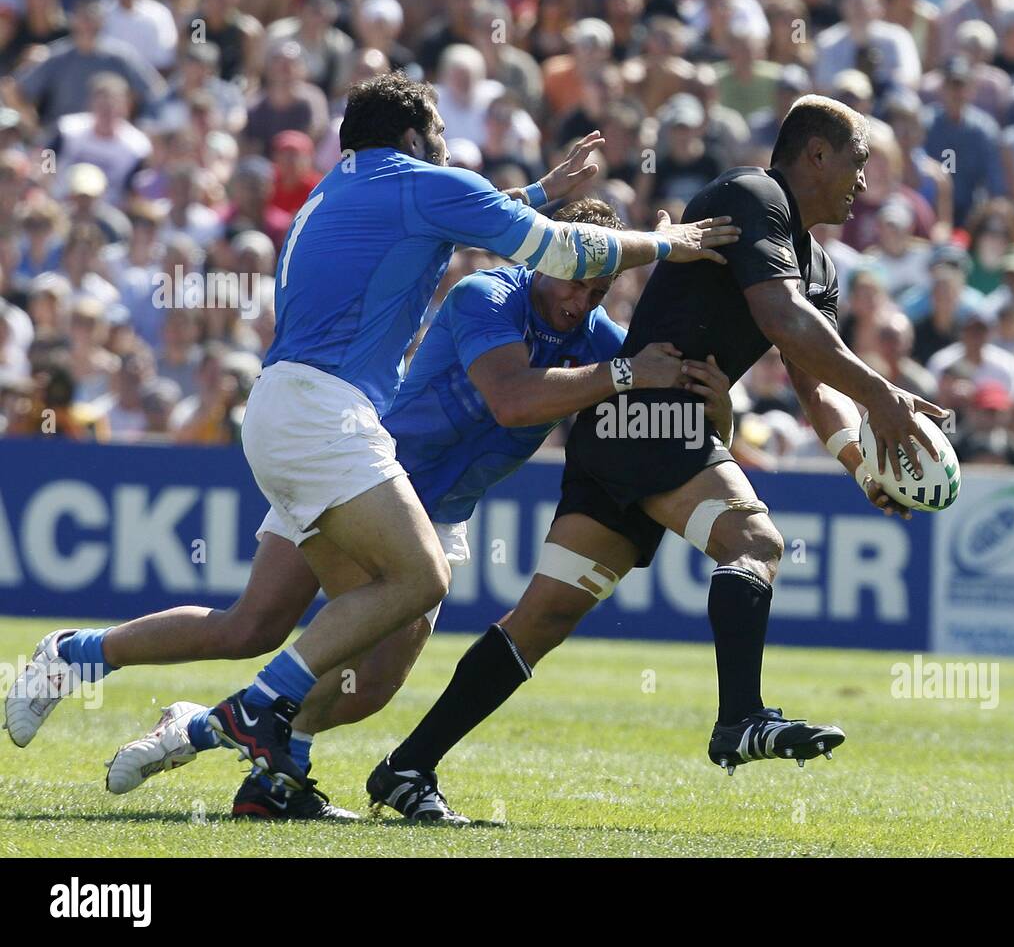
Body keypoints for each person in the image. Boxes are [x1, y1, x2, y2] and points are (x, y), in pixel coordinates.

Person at [5, 71, 740, 798]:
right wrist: (668, 242)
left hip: (292, 411)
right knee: (419, 581)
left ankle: (85, 659)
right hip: (327, 418)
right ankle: (255, 712)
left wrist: (543, 194)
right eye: (442, 140)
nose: (448, 153)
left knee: (265, 627)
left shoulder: (350, 184)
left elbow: (459, 222)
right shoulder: (426, 189)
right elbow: (559, 256)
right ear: (416, 137)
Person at [365, 96, 946, 821]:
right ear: (817, 155)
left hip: (626, 429)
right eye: (858, 162)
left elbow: (811, 376)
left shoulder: (818, 263)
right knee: (755, 541)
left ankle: (407, 765)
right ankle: (742, 717)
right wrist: (887, 395)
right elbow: (781, 321)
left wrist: (864, 464)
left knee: (541, 619)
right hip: (653, 416)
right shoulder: (753, 196)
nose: (865, 182)